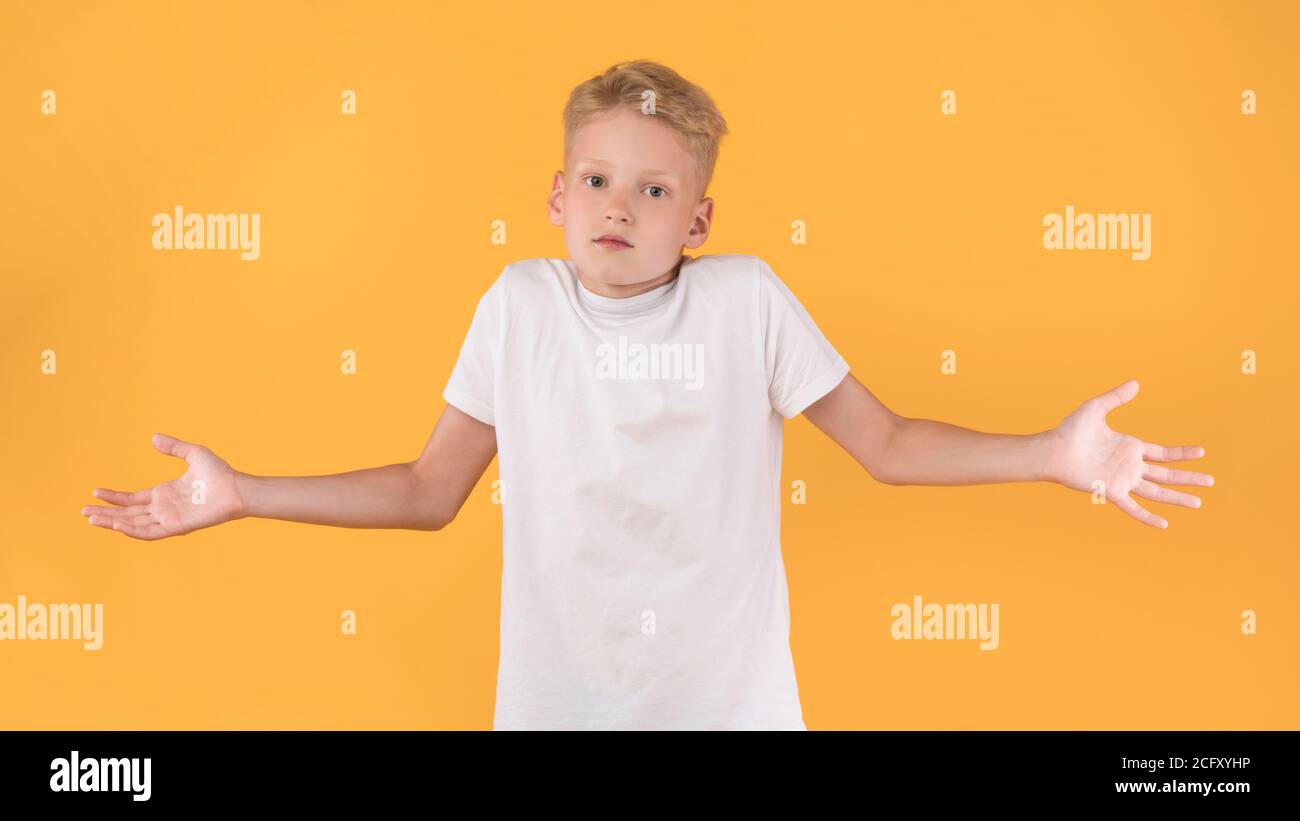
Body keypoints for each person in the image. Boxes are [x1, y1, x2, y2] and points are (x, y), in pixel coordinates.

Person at [80, 60, 1214, 730]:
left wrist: (1051, 453)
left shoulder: (747, 302)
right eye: (597, 177)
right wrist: (243, 492)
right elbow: (429, 489)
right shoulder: (517, 306)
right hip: (559, 707)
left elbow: (888, 441)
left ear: (699, 218)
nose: (619, 203)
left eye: (655, 185)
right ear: (557, 194)